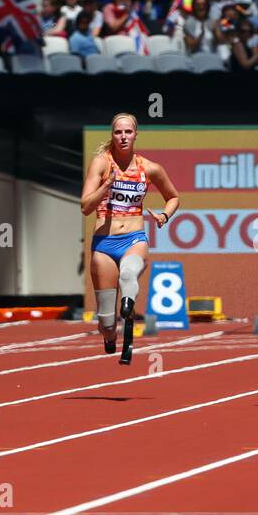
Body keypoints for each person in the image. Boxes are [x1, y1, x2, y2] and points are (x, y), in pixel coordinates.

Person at [80, 113, 181, 365]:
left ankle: (128, 308)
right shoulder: (101, 164)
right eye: (118, 132)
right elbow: (84, 206)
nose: (123, 137)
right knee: (104, 321)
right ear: (112, 135)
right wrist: (106, 187)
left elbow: (173, 197)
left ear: (136, 135)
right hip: (104, 244)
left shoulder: (149, 168)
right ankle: (110, 333)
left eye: (128, 132)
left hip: (134, 238)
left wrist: (164, 216)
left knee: (129, 272)